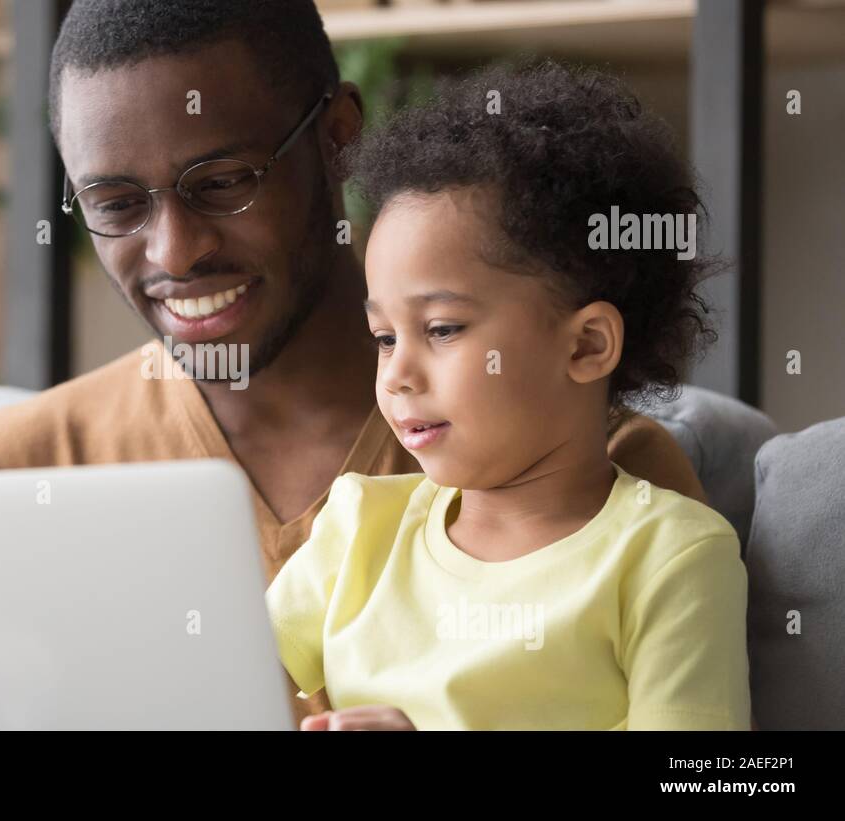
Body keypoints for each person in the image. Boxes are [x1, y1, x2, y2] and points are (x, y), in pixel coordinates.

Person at [0, 1, 708, 726]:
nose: (175, 251)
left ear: (337, 140)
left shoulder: (593, 482)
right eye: (116, 204)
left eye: (223, 183)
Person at [266, 61, 749, 730]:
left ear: (585, 346)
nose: (397, 372)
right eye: (382, 336)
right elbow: (210, 684)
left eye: (440, 328)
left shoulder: (670, 556)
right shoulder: (357, 530)